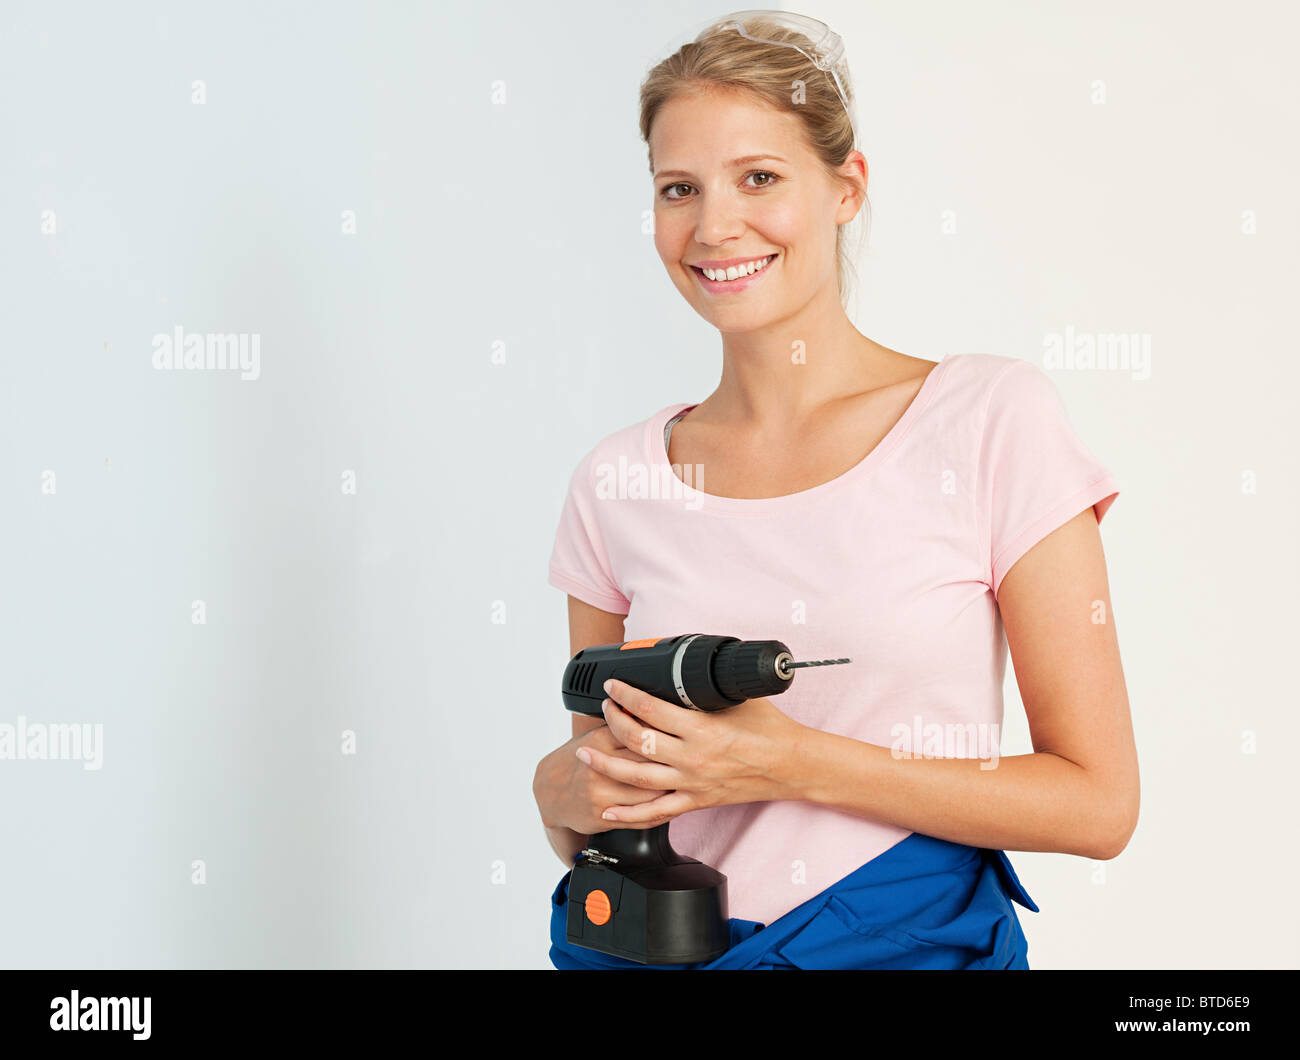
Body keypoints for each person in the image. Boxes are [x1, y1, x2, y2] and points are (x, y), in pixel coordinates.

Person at [532, 11, 1139, 969]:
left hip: (911, 946)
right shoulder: (617, 480)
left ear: (846, 187)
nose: (715, 225)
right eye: (677, 188)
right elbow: (606, 801)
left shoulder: (987, 420)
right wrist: (558, 799)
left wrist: (798, 764)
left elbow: (1099, 804)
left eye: (759, 178)